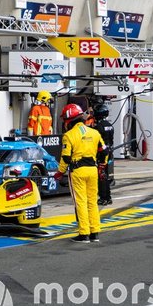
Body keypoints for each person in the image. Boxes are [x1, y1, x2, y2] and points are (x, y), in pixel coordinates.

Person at [58, 104, 105, 242]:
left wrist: (59, 172)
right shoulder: (94, 133)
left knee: (81, 202)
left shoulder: (68, 135)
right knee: (92, 202)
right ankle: (94, 232)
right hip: (93, 170)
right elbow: (104, 150)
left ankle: (84, 234)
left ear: (69, 120)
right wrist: (102, 165)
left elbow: (66, 157)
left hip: (77, 172)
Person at [89, 103, 116, 206]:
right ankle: (108, 197)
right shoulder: (110, 126)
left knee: (101, 177)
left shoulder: (98, 127)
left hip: (101, 154)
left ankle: (103, 197)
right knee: (105, 176)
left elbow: (96, 142)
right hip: (109, 152)